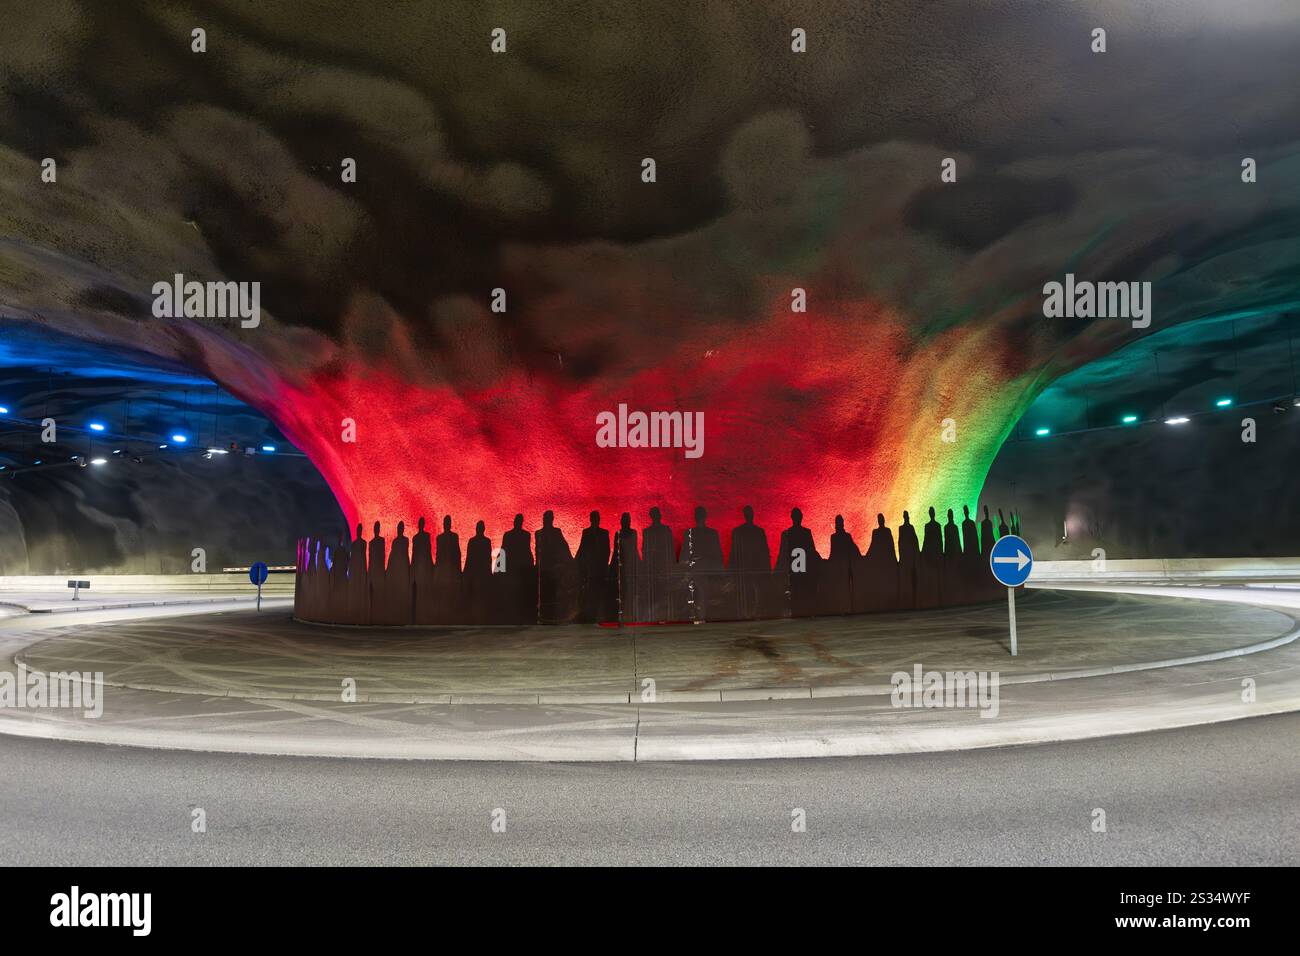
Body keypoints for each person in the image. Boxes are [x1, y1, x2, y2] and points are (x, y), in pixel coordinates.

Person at [730, 505, 772, 619]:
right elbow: (764, 552)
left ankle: (749, 613)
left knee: (750, 593)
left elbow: (734, 553)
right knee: (755, 592)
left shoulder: (738, 532)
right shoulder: (758, 532)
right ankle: (754, 613)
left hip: (746, 569)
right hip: (754, 569)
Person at [777, 508, 819, 617]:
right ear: (801, 517)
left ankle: (797, 613)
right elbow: (812, 551)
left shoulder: (787, 534)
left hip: (794, 570)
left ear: (792, 518)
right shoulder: (806, 533)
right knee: (803, 594)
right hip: (803, 570)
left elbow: (783, 553)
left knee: (796, 594)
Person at [535, 510, 574, 624]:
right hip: (544, 567)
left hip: (553, 567)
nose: (546, 520)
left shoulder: (557, 532)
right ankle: (544, 616)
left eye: (548, 518)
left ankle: (552, 616)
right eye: (545, 518)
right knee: (544, 592)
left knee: (553, 591)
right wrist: (537, 564)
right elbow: (537, 550)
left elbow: (563, 546)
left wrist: (568, 561)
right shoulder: (538, 533)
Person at [641, 507, 677, 621]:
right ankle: (660, 616)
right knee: (659, 593)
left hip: (659, 566)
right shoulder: (663, 531)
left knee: (660, 593)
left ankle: (660, 616)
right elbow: (645, 550)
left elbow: (645, 550)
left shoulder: (649, 532)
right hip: (657, 567)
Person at [575, 511, 611, 623]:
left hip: (600, 567)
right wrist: (576, 561)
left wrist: (605, 565)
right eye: (594, 518)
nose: (596, 520)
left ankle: (600, 615)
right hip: (591, 568)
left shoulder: (604, 533)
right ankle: (592, 615)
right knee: (591, 592)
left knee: (599, 591)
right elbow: (582, 548)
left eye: (597, 518)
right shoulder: (586, 532)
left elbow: (607, 550)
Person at [502, 514, 535, 623]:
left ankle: (516, 615)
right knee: (515, 591)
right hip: (516, 567)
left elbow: (503, 551)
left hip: (517, 567)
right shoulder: (525, 535)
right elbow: (504, 551)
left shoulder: (510, 535)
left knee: (517, 592)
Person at [825, 514, 859, 615]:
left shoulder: (835, 537)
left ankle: (844, 608)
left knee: (843, 588)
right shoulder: (844, 536)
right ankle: (846, 608)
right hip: (844, 566)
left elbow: (833, 553)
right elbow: (854, 550)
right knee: (845, 588)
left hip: (842, 567)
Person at [434, 515, 463, 622]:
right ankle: (445, 615)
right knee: (445, 594)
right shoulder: (440, 538)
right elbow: (438, 556)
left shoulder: (453, 537)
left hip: (451, 571)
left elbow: (457, 554)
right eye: (446, 522)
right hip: (445, 571)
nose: (447, 524)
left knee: (450, 594)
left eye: (447, 522)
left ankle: (450, 615)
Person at [463, 520, 493, 624]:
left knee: (477, 596)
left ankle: (476, 617)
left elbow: (469, 558)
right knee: (480, 596)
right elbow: (488, 559)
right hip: (481, 572)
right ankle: (480, 617)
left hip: (477, 572)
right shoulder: (486, 542)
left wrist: (465, 572)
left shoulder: (473, 541)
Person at [412, 516, 436, 623]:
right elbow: (414, 553)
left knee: (424, 589)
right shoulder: (416, 538)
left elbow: (428, 551)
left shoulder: (426, 536)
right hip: (419, 566)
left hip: (424, 565)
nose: (421, 525)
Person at [896, 511, 919, 609]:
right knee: (907, 578)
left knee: (912, 578)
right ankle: (909, 600)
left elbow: (915, 542)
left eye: (907, 516)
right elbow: (900, 543)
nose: (906, 518)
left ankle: (914, 600)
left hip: (910, 557)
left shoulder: (910, 528)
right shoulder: (902, 528)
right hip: (906, 557)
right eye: (905, 516)